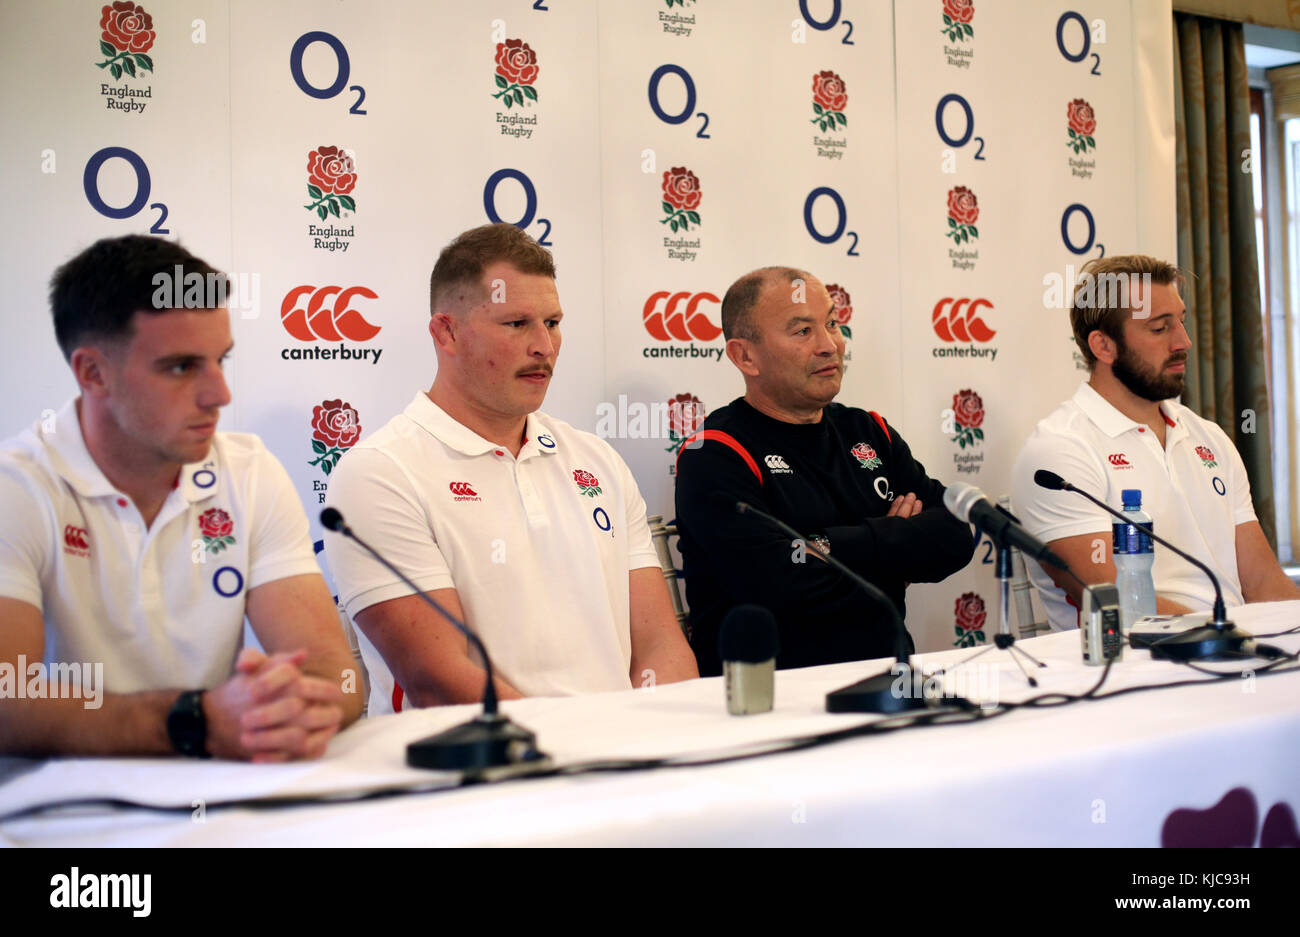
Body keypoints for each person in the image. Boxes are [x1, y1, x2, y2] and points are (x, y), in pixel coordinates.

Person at [0, 235, 361, 760]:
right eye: (181, 367)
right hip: (57, 823)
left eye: (221, 360)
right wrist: (196, 721)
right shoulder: (18, 486)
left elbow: (334, 670)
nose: (220, 394)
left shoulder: (250, 470)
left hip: (217, 808)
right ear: (92, 373)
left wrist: (297, 707)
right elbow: (8, 702)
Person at [326, 223, 697, 714]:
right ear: (446, 332)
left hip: (616, 769)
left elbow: (660, 647)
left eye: (553, 322)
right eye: (516, 324)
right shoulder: (379, 474)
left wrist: (653, 745)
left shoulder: (596, 459)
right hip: (475, 778)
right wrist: (579, 758)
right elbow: (440, 680)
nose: (544, 345)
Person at [674, 266, 976, 674]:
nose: (829, 345)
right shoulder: (714, 452)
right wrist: (895, 546)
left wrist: (832, 547)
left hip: (890, 683)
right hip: (773, 701)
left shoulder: (869, 430)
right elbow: (776, 585)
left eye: (832, 324)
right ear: (745, 355)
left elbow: (957, 532)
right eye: (802, 331)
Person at [1011, 255, 1300, 630]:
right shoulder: (1058, 452)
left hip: (1233, 651)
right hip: (1135, 671)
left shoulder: (1208, 437)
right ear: (1104, 346)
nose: (1184, 342)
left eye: (1181, 321)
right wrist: (1231, 634)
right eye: (1160, 328)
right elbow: (1115, 600)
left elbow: (1263, 583)